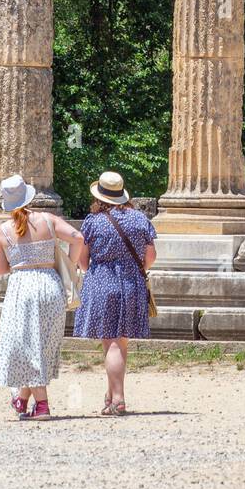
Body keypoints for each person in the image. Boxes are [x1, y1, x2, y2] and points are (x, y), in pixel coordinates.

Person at [0, 174, 84, 420]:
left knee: (24, 347)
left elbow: (1, 270)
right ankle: (22, 400)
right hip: (50, 284)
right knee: (39, 345)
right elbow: (77, 238)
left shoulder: (2, 231)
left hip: (22, 287)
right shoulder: (48, 219)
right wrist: (70, 265)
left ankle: (41, 405)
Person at [73, 171, 156, 415]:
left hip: (101, 283)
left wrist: (96, 271)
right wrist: (134, 269)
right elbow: (150, 257)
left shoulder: (91, 222)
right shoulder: (140, 219)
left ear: (99, 197)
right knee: (120, 343)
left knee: (110, 343)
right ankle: (111, 396)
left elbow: (83, 260)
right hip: (132, 285)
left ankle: (118, 398)